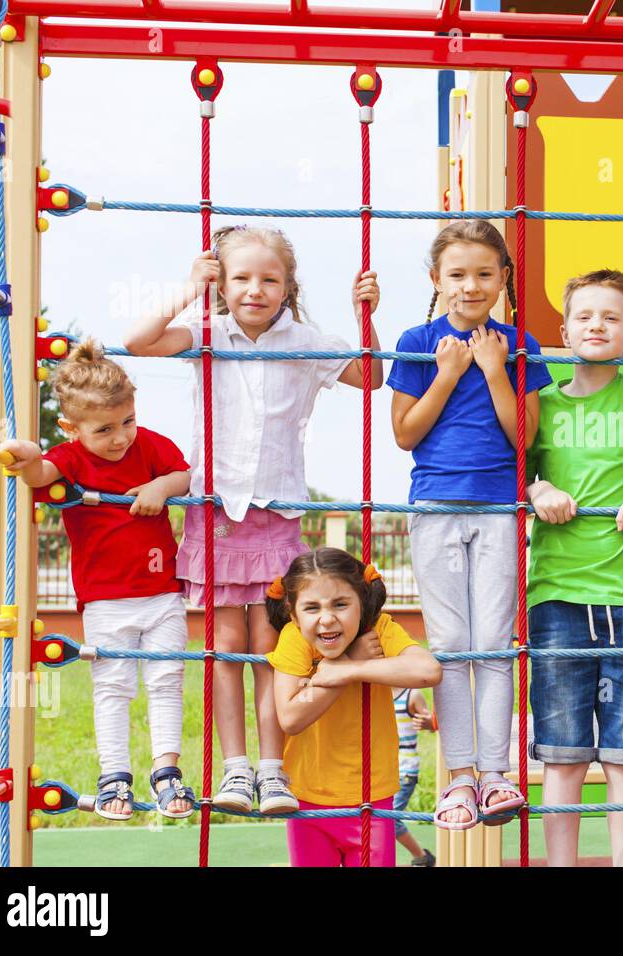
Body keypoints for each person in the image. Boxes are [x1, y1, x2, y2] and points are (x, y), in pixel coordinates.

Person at [124, 225, 383, 815]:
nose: (255, 289)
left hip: (275, 515)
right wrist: (190, 288)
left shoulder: (306, 341)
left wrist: (363, 315)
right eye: (240, 277)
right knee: (224, 646)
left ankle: (272, 769)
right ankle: (235, 768)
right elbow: (137, 340)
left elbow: (371, 376)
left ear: (289, 288)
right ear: (221, 283)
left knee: (271, 645)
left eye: (270, 279)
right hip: (216, 514)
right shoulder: (205, 334)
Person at [388, 220, 553, 830]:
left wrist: (491, 370)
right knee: (451, 645)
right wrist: (450, 373)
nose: (471, 285)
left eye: (485, 273)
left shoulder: (519, 344)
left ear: (504, 279)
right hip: (435, 506)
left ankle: (495, 774)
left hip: (497, 508)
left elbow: (525, 438)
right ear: (436, 280)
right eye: (457, 274)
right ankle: (458, 776)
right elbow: (406, 434)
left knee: (495, 644)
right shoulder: (415, 340)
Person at [0, 340, 196, 821]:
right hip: (106, 601)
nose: (120, 437)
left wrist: (159, 486)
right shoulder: (69, 458)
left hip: (163, 593)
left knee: (168, 681)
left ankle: (168, 772)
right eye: (105, 429)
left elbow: (185, 476)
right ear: (71, 427)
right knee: (113, 687)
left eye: (127, 421)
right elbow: (41, 475)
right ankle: (114, 777)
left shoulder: (147, 444)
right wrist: (27, 458)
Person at [526, 269, 623, 866]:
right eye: (585, 316)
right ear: (564, 331)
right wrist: (537, 489)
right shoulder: (539, 402)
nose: (597, 325)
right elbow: (517, 472)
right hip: (558, 594)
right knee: (562, 753)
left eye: (611, 318)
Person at [266, 548, 442, 867]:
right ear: (293, 613)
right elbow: (290, 717)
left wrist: (348, 669)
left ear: (362, 600)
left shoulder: (379, 628)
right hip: (307, 799)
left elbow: (428, 671)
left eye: (341, 604)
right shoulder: (295, 638)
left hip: (371, 799)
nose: (327, 618)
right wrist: (349, 662)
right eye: (312, 608)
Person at [393, 687, 436, 866]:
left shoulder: (412, 695)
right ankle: (423, 858)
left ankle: (422, 857)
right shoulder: (377, 691)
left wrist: (430, 722)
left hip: (405, 768)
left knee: (389, 818)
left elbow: (431, 724)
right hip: (383, 769)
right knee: (381, 818)